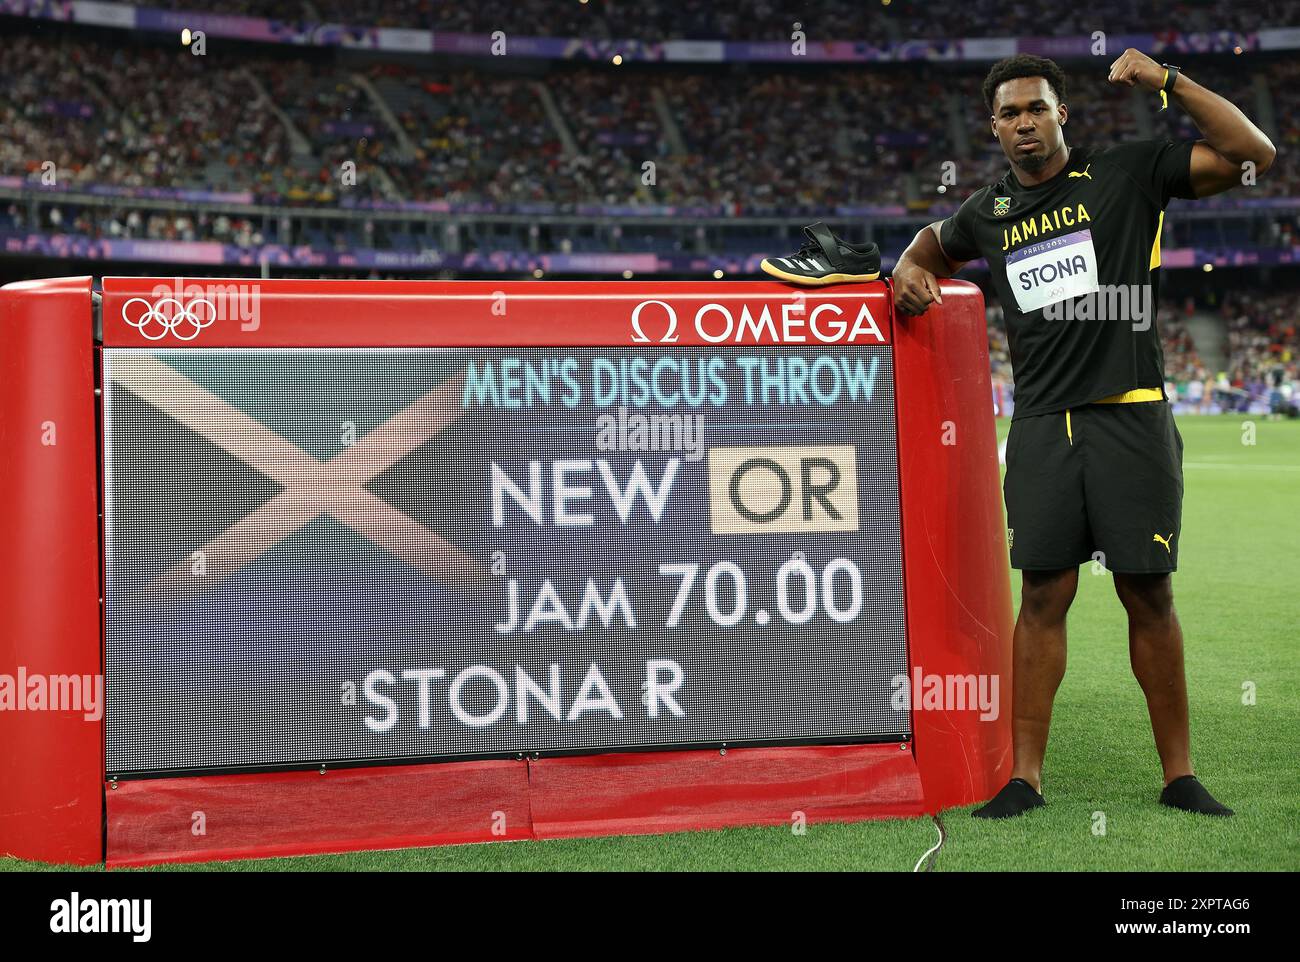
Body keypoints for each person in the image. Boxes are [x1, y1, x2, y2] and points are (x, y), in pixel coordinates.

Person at [890, 51, 1275, 818]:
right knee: (1042, 594)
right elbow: (935, 243)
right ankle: (1024, 778)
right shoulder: (991, 210)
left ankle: (1180, 775)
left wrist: (1169, 81)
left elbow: (1251, 155)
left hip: (1130, 412)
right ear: (994, 127)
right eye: (1010, 113)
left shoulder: (1128, 172)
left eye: (1037, 108)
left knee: (1148, 592)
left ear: (1061, 114)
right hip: (1040, 426)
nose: (1024, 123)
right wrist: (905, 263)